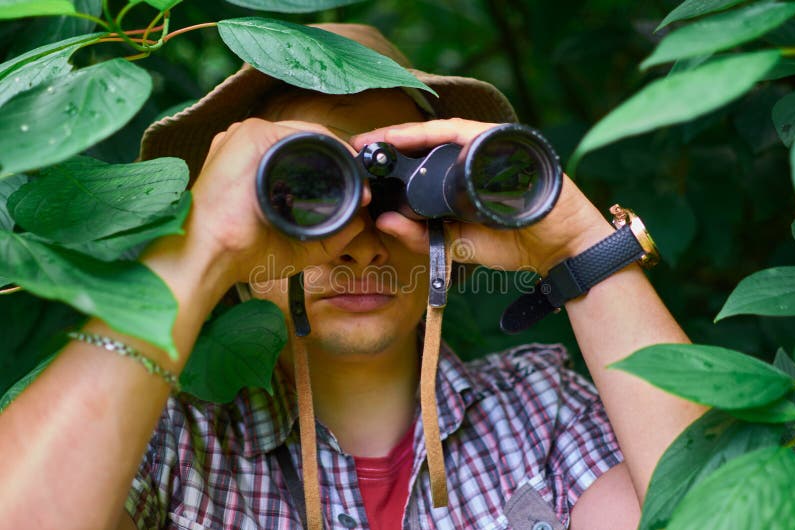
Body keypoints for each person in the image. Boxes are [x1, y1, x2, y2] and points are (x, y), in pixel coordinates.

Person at [0, 23, 704, 530]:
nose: (359, 249)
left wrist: (576, 242)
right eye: (309, 196)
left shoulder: (540, 413)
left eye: (401, 196)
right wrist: (199, 247)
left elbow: (719, 512)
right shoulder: (170, 443)